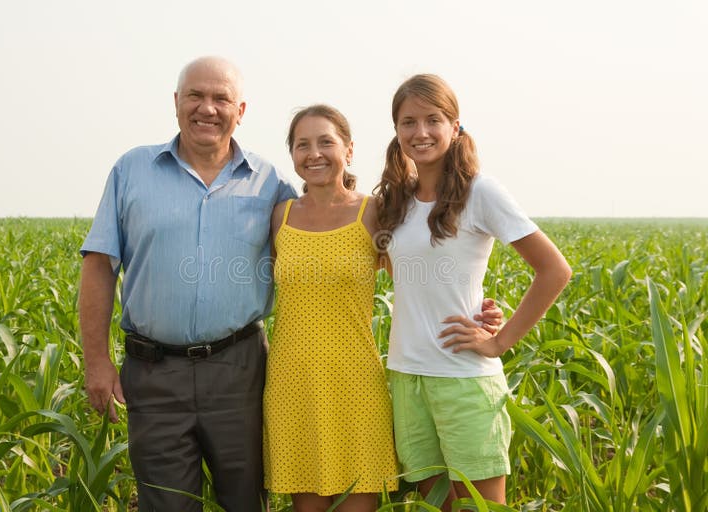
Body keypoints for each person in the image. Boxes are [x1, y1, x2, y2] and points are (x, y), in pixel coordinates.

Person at [78, 56, 296, 512]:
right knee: (166, 505)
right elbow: (99, 266)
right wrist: (96, 361)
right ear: (177, 102)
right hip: (154, 374)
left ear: (241, 110)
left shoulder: (270, 182)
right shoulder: (131, 170)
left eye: (221, 98)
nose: (207, 108)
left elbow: (317, 255)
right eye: (195, 95)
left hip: (240, 372)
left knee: (245, 501)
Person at [263, 104, 504, 512]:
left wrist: (481, 312)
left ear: (349, 149)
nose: (314, 153)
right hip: (292, 382)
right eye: (302, 145)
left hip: (355, 382)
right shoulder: (279, 216)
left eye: (326, 142)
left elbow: (417, 277)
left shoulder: (374, 213)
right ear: (292, 154)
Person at [374, 74, 572, 509]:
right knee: (435, 504)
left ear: (455, 125)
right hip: (407, 376)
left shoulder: (480, 191)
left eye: (433, 120)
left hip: (463, 378)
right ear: (397, 130)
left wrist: (499, 341)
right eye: (408, 122)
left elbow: (554, 270)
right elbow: (414, 275)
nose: (421, 132)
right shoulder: (397, 200)